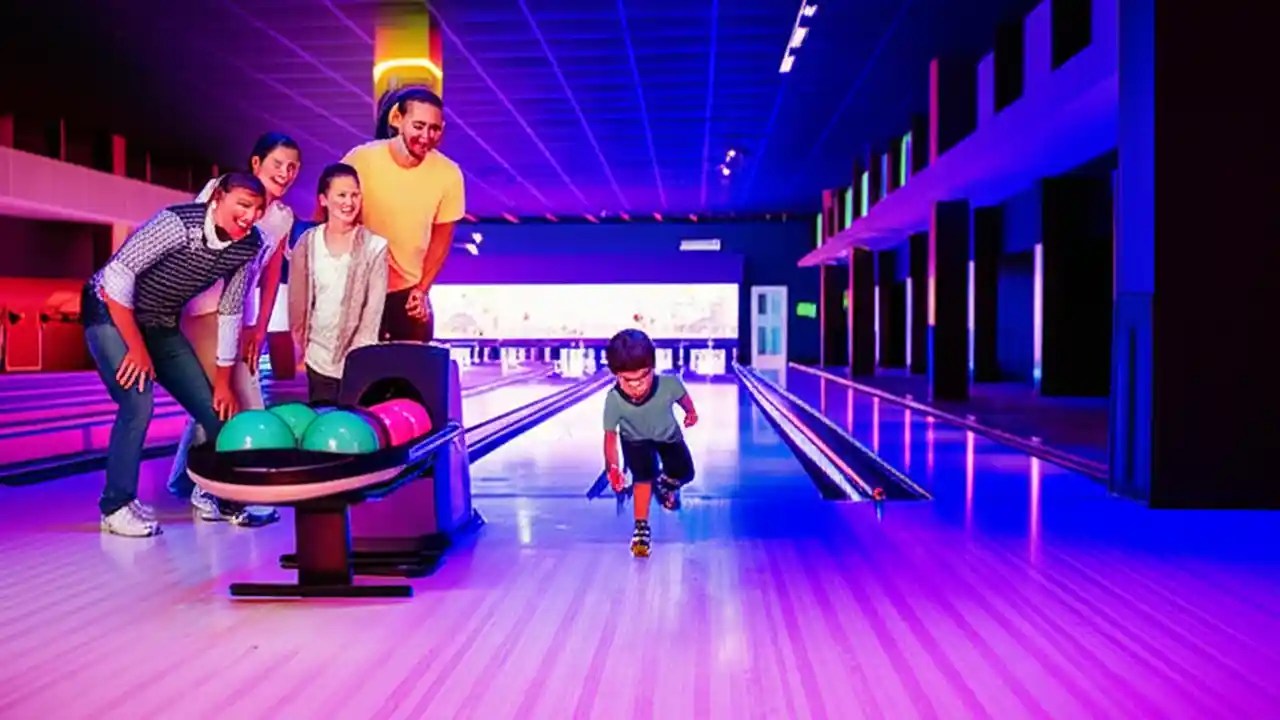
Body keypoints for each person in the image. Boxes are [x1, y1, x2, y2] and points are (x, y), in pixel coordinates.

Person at [82, 173, 267, 537]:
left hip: (160, 323)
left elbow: (231, 311)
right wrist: (136, 348)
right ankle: (115, 505)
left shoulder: (249, 245)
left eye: (257, 209)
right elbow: (117, 277)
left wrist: (224, 384)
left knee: (217, 412)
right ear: (218, 197)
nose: (249, 216)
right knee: (138, 403)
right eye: (243, 205)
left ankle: (217, 496)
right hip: (107, 310)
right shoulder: (177, 223)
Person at [166, 133, 300, 526]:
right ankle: (216, 491)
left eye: (293, 167)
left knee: (218, 395)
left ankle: (189, 481)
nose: (286, 173)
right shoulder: (224, 190)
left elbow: (272, 271)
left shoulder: (281, 217)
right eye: (278, 163)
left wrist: (259, 325)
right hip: (202, 307)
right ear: (255, 164)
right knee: (241, 400)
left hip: (237, 314)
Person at [342, 86, 465, 343]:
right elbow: (326, 217)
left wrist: (422, 289)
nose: (426, 136)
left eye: (434, 128)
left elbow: (441, 241)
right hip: (359, 289)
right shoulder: (360, 160)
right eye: (418, 126)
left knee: (410, 380)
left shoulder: (449, 174)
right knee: (361, 378)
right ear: (397, 119)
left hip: (408, 292)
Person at [287, 163, 389, 403]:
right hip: (317, 358)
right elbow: (297, 300)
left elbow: (372, 312)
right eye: (341, 195)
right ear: (324, 199)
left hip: (358, 360)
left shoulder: (375, 246)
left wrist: (360, 359)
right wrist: (300, 349)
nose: (349, 202)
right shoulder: (308, 243)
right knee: (323, 429)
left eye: (355, 195)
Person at [602, 329, 699, 557]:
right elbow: (610, 437)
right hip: (634, 441)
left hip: (669, 437)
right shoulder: (613, 400)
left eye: (642, 377)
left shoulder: (668, 385)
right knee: (642, 480)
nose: (637, 386)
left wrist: (691, 412)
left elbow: (682, 397)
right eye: (628, 380)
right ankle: (641, 528)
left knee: (686, 473)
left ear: (653, 369)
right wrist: (613, 468)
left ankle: (666, 484)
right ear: (616, 375)